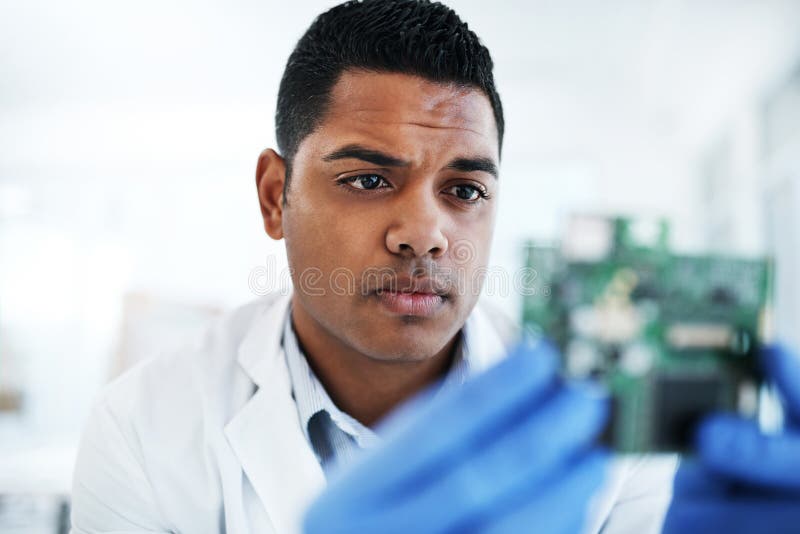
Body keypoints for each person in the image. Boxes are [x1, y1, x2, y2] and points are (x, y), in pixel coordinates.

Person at [69, 1, 799, 533]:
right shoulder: (142, 429)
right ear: (274, 197)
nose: (424, 235)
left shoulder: (618, 437)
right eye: (366, 179)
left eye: (466, 191)